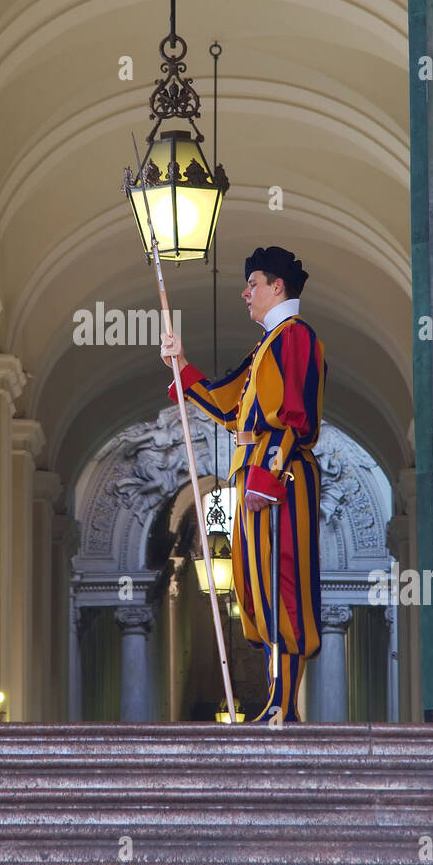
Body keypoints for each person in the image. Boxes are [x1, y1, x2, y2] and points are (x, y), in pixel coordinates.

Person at [161, 246, 327, 723]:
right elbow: (230, 405)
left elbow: (292, 416)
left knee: (283, 583)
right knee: (259, 585)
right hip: (259, 479)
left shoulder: (294, 338)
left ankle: (284, 704)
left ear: (278, 287)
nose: (245, 292)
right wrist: (181, 365)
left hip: (280, 479)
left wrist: (266, 475)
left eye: (253, 283)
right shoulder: (268, 345)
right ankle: (278, 698)